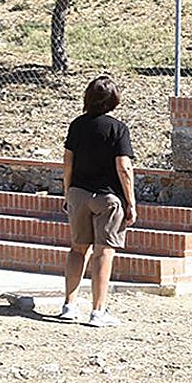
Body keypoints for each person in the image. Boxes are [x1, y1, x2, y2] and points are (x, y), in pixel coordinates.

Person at [58, 74, 136, 327]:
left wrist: (67, 192)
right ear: (114, 100)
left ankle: (69, 306)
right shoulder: (118, 129)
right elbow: (124, 168)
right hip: (108, 198)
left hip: (78, 193)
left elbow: (68, 161)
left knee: (77, 249)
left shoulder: (77, 125)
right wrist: (131, 202)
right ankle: (97, 312)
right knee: (104, 252)